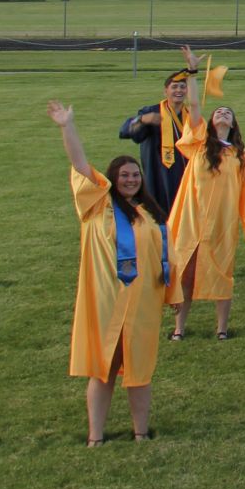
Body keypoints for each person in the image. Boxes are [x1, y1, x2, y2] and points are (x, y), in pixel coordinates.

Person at [49, 100, 171, 446]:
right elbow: (79, 163)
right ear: (113, 179)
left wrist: (171, 296)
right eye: (124, 175)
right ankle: (95, 435)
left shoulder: (150, 216)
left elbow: (165, 259)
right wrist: (67, 126)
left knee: (140, 372)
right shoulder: (97, 206)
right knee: (102, 370)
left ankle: (141, 431)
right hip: (106, 299)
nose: (131, 180)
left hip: (142, 303)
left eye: (135, 175)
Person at [166, 103, 245, 341]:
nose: (222, 114)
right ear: (211, 122)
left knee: (222, 272)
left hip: (222, 222)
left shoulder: (241, 156)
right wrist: (191, 73)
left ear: (233, 124)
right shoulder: (198, 147)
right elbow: (195, 108)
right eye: (218, 112)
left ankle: (222, 328)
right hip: (193, 219)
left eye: (228, 113)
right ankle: (179, 328)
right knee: (185, 274)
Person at [120, 45, 202, 214]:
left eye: (182, 87)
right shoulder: (150, 113)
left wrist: (192, 70)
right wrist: (142, 120)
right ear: (166, 91)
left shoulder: (191, 117)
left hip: (185, 178)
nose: (178, 90)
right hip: (157, 178)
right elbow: (126, 130)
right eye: (174, 87)